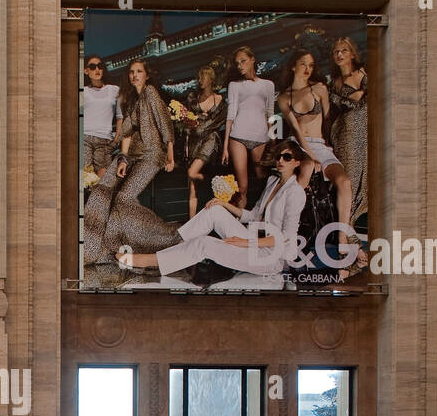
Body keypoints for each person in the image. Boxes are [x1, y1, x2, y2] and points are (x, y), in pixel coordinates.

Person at [121, 140, 307, 280]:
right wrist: (224, 204)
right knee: (214, 211)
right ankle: (171, 246)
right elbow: (254, 215)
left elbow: (286, 238)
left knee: (205, 244)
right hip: (254, 242)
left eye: (287, 157)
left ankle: (150, 261)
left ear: (297, 163)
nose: (281, 160)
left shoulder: (296, 192)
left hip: (271, 258)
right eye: (279, 156)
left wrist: (245, 242)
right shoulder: (272, 182)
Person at [82, 57, 177, 266]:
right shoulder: (133, 100)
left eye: (139, 71)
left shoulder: (150, 92)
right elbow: (126, 132)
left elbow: (164, 121)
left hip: (152, 155)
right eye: (132, 72)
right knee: (102, 190)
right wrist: (123, 159)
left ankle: (166, 238)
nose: (134, 75)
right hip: (132, 155)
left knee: (124, 198)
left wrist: (170, 154)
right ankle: (94, 249)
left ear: (146, 74)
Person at [276, 48, 364, 274]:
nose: (307, 69)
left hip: (321, 145)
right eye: (303, 64)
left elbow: (328, 122)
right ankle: (288, 238)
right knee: (305, 170)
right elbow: (296, 129)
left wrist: (330, 149)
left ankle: (343, 235)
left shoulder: (319, 89)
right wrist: (310, 155)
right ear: (294, 66)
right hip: (298, 145)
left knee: (343, 181)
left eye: (311, 65)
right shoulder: (284, 98)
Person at [221, 46, 273, 209]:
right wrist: (225, 147)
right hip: (238, 137)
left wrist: (274, 139)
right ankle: (237, 224)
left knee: (265, 181)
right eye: (237, 63)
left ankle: (264, 219)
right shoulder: (235, 85)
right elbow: (230, 116)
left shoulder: (268, 85)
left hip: (261, 137)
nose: (240, 66)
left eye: (243, 61)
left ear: (252, 60)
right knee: (242, 187)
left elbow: (271, 113)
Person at [328, 37, 368, 226]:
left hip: (361, 131)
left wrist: (348, 99)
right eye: (336, 51)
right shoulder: (333, 82)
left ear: (352, 53)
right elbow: (331, 110)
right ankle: (348, 232)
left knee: (360, 179)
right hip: (341, 134)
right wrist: (354, 96)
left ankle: (350, 232)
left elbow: (365, 100)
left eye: (344, 50)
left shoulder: (363, 73)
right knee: (346, 181)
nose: (339, 54)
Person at [180, 65, 227, 214]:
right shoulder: (193, 98)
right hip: (195, 140)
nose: (200, 80)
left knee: (192, 172)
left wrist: (201, 125)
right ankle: (191, 223)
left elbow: (219, 122)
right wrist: (187, 141)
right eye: (199, 77)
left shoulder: (220, 100)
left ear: (211, 79)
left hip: (210, 140)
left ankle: (212, 179)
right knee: (192, 185)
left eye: (204, 77)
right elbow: (186, 122)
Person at [81, 54, 122, 181]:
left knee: (103, 181)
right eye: (92, 67)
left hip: (104, 141)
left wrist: (116, 140)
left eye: (100, 66)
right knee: (86, 179)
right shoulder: (82, 91)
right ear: (86, 71)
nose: (97, 70)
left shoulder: (114, 90)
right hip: (85, 140)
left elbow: (120, 117)